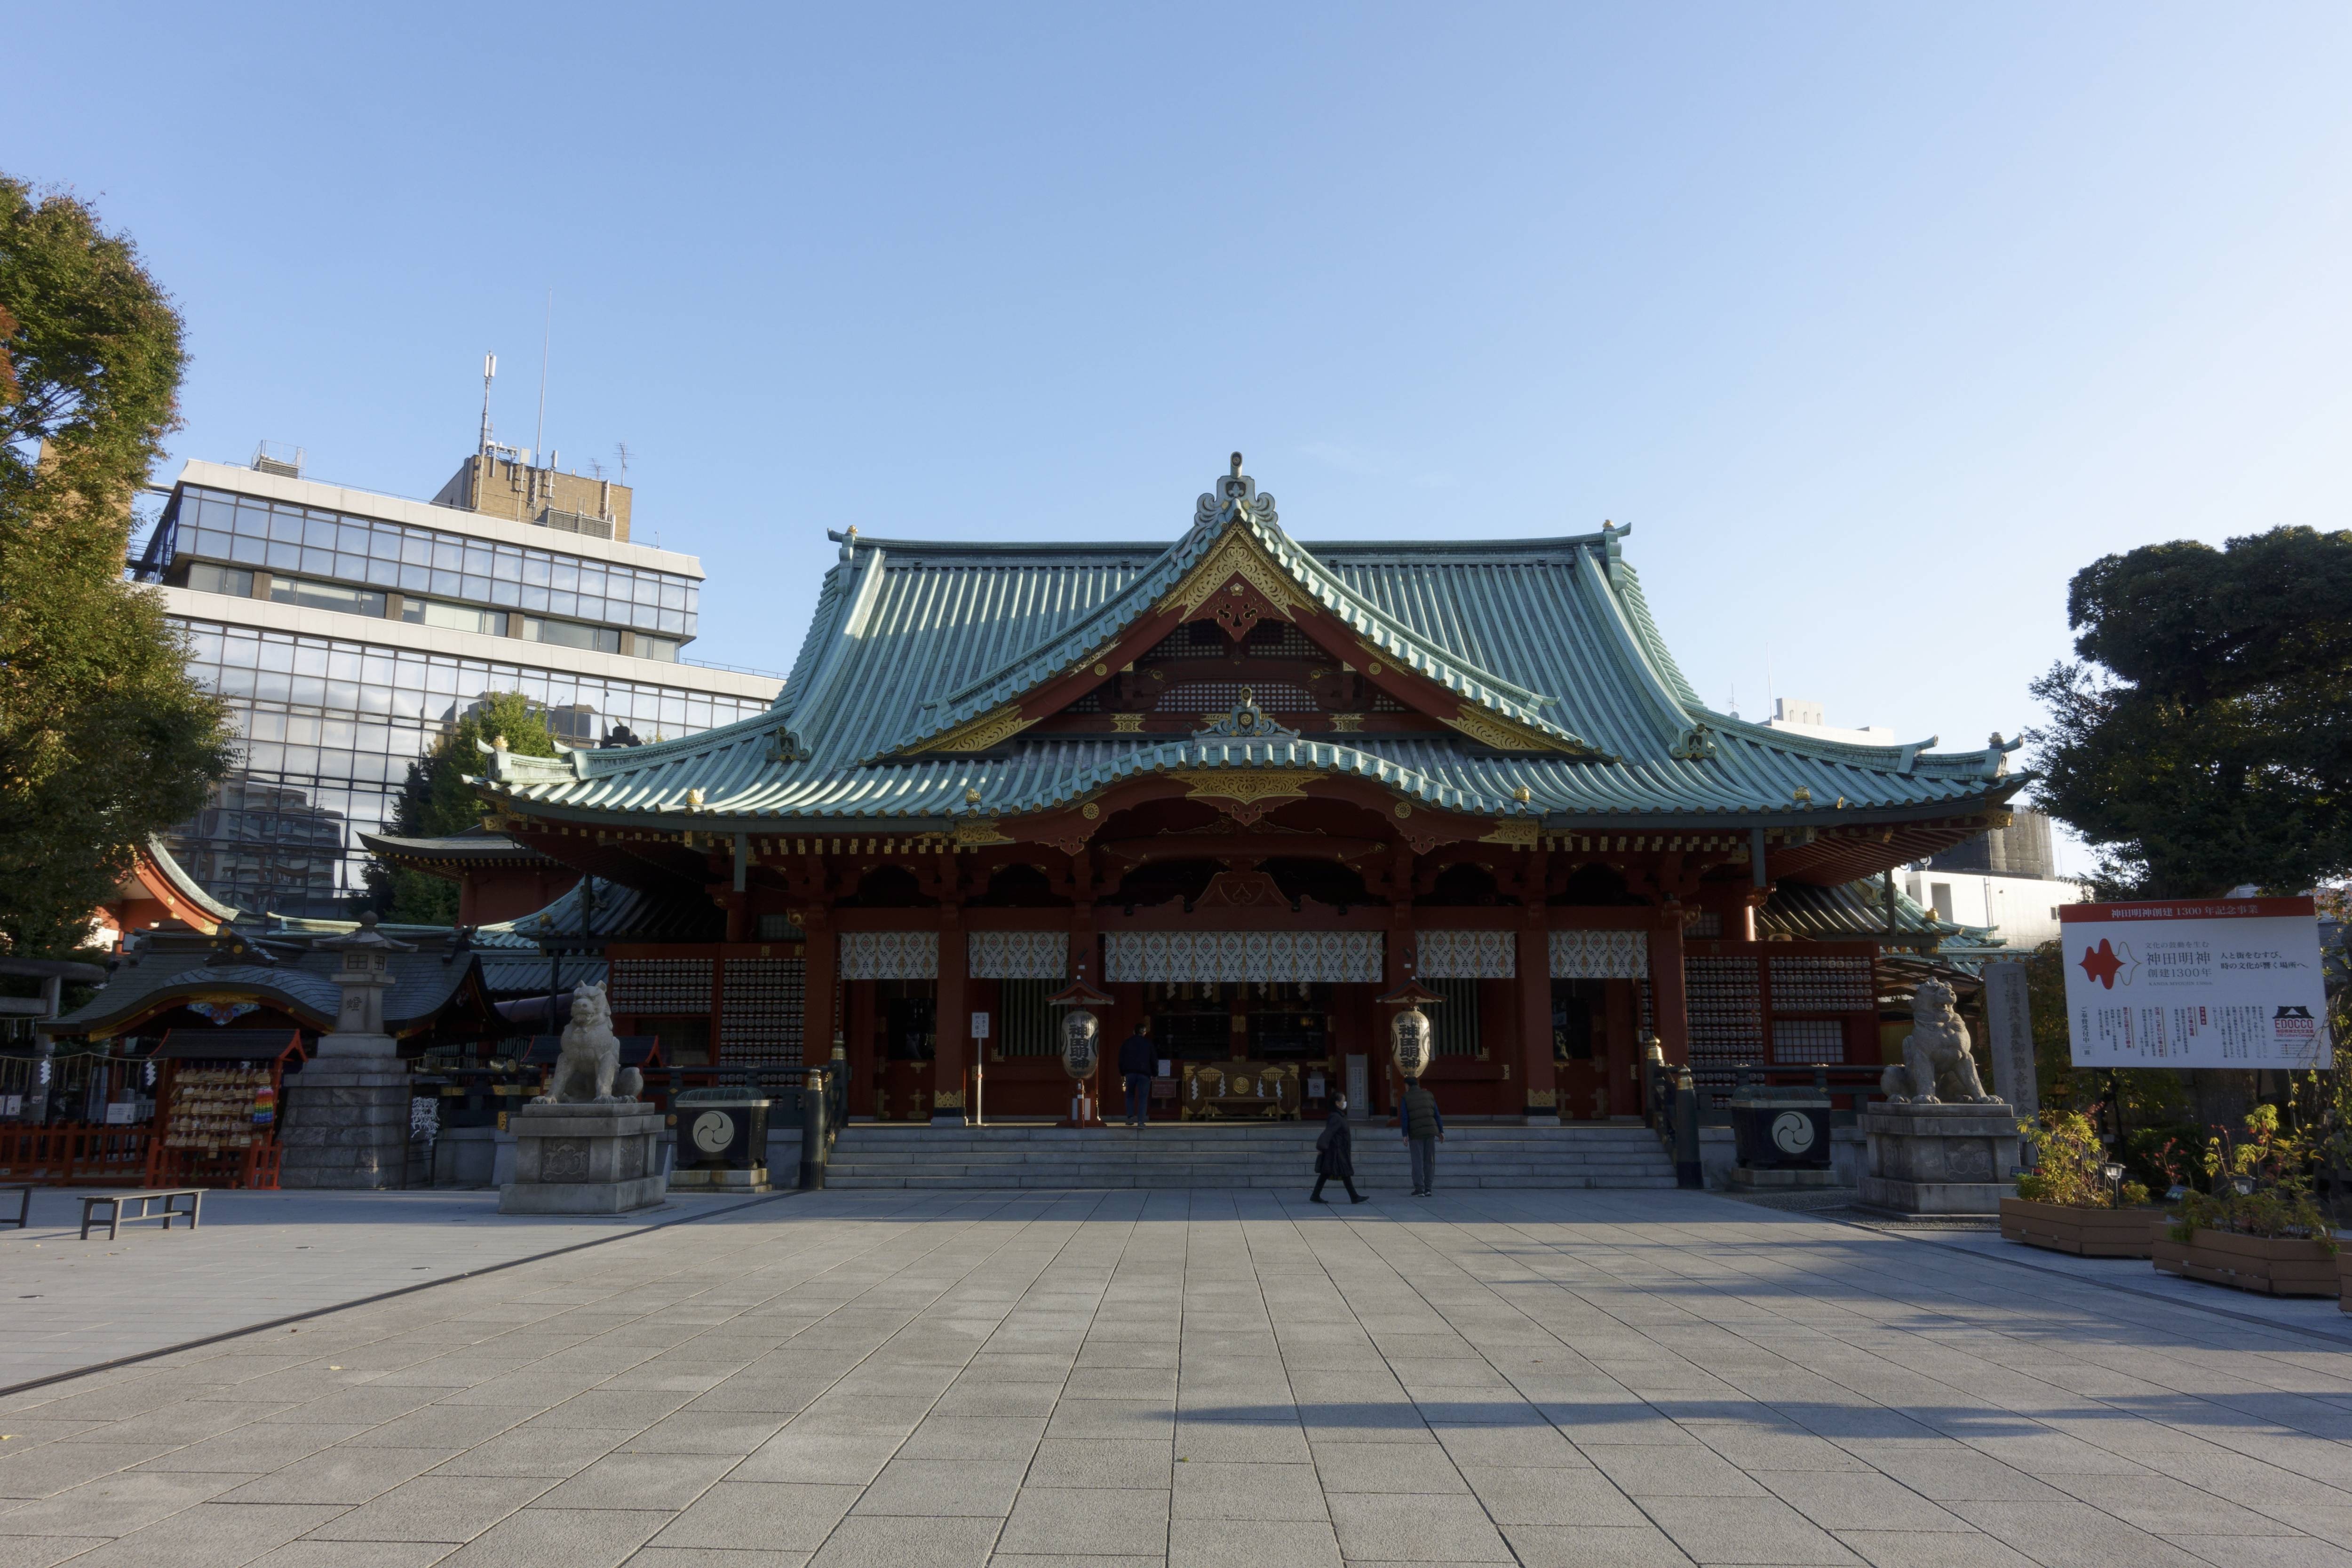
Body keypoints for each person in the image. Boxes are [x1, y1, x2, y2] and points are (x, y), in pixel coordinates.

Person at [1311, 1096, 1367, 1203]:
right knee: (1344, 1172)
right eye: (1343, 1100)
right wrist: (1321, 1146)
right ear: (1337, 1103)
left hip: (1339, 1149)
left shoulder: (1339, 1116)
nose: (1345, 1102)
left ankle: (1316, 1195)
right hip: (1336, 1150)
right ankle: (1354, 1197)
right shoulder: (1336, 1117)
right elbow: (1328, 1133)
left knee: (1327, 1173)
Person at [1400, 1076, 1444, 1195]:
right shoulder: (1429, 1095)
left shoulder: (1406, 1097)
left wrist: (1405, 1134)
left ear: (1408, 1086)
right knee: (1429, 1160)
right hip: (1431, 1131)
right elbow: (1437, 1114)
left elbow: (1405, 1117)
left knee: (1417, 1161)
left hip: (1416, 1133)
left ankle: (1420, 1188)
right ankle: (1429, 1188)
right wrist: (1441, 1131)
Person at [1116, 1017, 1156, 1130]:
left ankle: (1129, 1118)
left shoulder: (1127, 1043)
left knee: (1130, 1095)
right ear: (1144, 1032)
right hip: (1145, 1074)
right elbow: (1153, 1060)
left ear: (1134, 1032)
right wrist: (1155, 1073)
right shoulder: (1148, 1044)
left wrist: (1122, 1072)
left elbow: (1121, 1059)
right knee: (1143, 1097)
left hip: (1130, 1073)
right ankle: (1141, 1122)